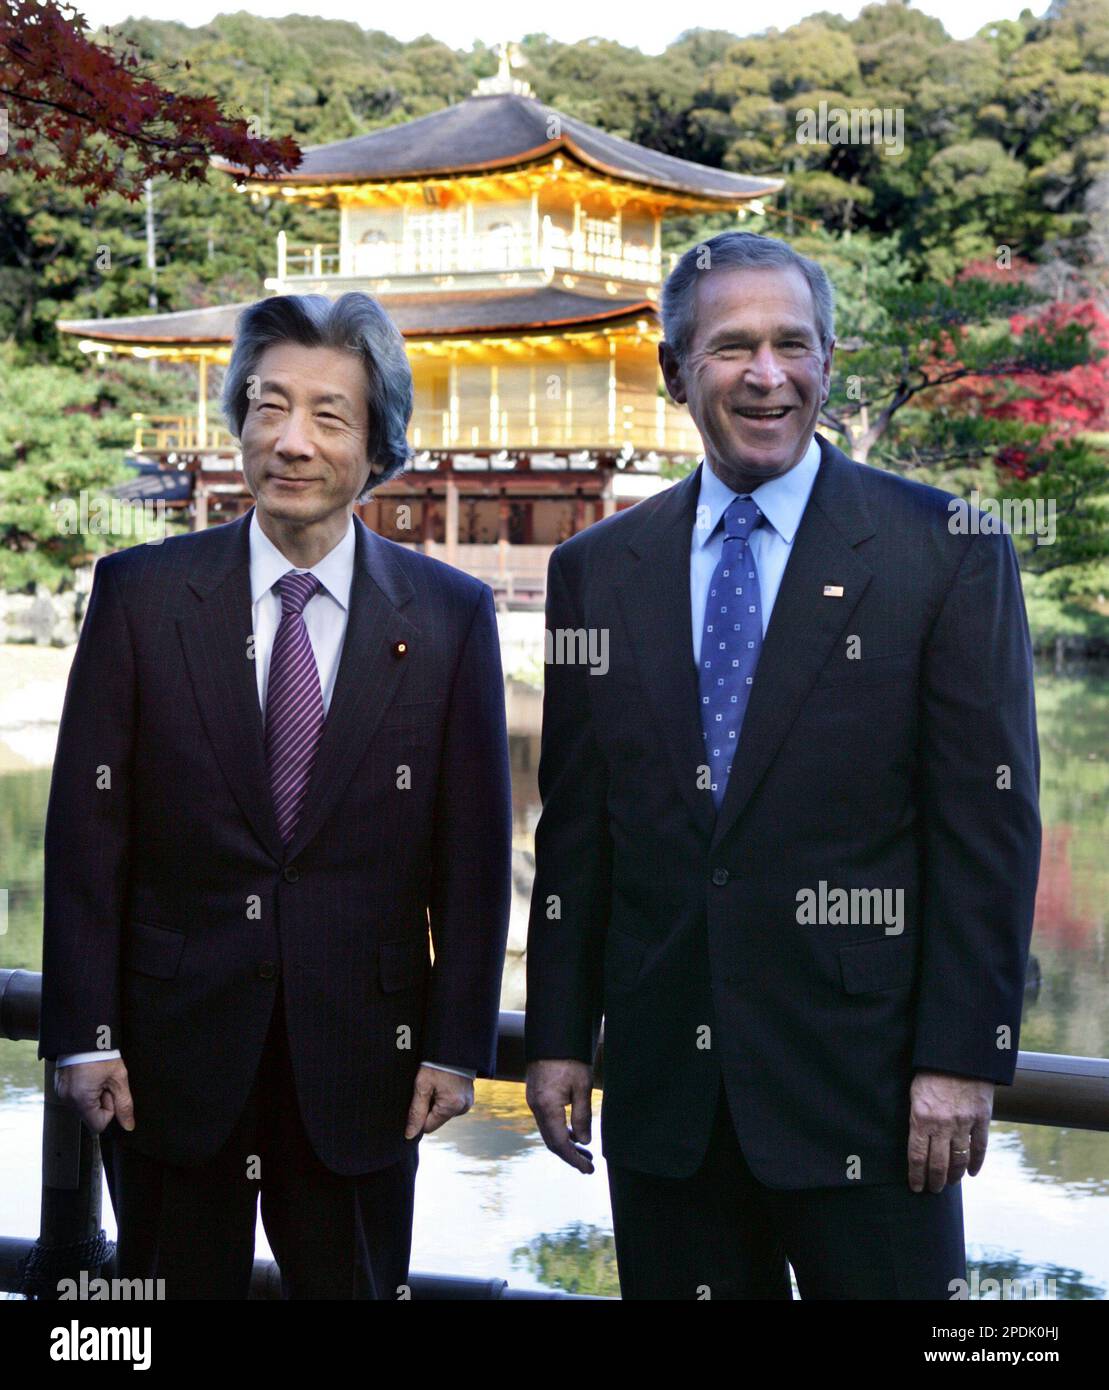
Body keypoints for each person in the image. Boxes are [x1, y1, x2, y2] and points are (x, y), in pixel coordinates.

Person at [524, 232, 1041, 1300]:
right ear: (674, 370)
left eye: (791, 344)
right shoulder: (596, 573)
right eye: (731, 347)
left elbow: (984, 831)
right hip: (668, 1097)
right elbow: (574, 832)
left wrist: (961, 1057)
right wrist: (559, 1035)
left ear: (826, 358)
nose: (767, 375)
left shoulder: (943, 548)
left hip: (876, 1095)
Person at [40, 292, 512, 1299]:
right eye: (266, 407)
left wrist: (454, 1044)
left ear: (376, 443)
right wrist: (84, 1034)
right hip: (167, 1060)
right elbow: (88, 839)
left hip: (366, 1066)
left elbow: (471, 861)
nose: (290, 440)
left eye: (327, 416)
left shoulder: (448, 616)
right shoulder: (142, 596)